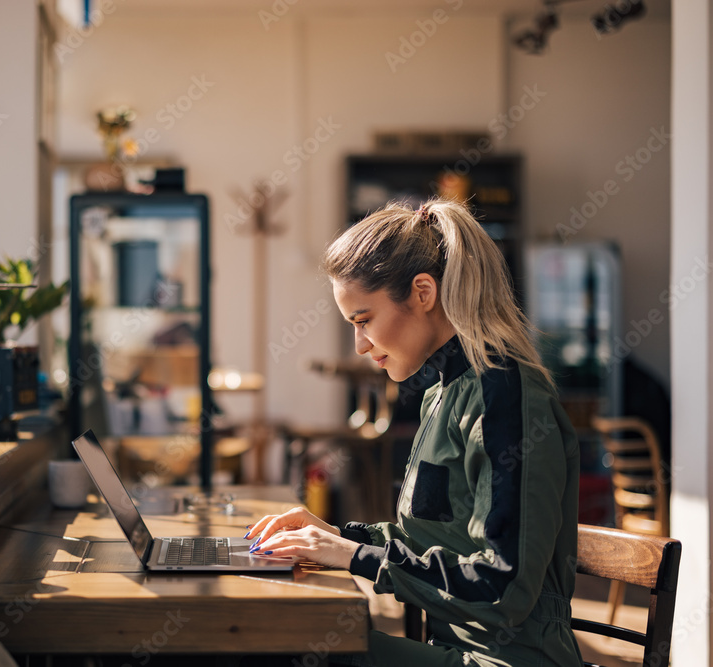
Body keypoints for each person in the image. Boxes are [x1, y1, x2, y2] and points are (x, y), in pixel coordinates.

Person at [246, 199, 583, 666]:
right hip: (452, 648)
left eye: (364, 321)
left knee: (287, 646)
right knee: (279, 638)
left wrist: (351, 555)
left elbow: (504, 588)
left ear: (423, 292)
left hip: (507, 659)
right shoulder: (443, 393)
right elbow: (432, 545)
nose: (360, 345)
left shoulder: (509, 398)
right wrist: (337, 535)